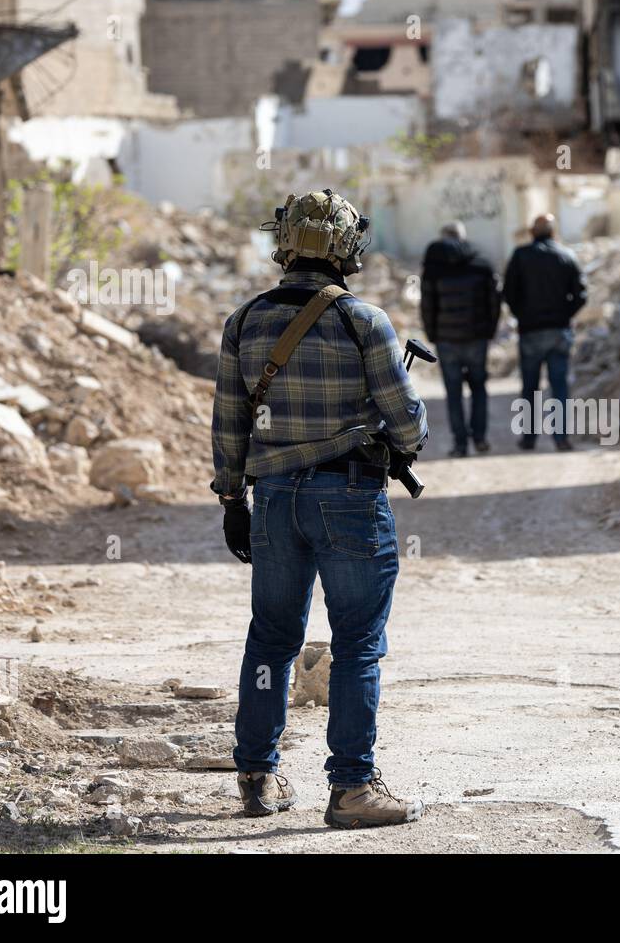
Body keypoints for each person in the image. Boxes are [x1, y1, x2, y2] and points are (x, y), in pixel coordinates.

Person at [211, 189, 428, 829]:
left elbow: (229, 424)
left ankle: (256, 775)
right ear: (346, 247)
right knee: (358, 644)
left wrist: (231, 499)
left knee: (271, 638)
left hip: (273, 500)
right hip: (350, 500)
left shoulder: (245, 321)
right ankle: (353, 789)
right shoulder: (365, 321)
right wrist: (403, 436)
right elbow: (407, 422)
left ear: (282, 242)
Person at [502, 214, 588, 452]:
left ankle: (529, 438)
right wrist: (564, 315)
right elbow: (581, 294)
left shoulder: (521, 256)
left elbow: (508, 292)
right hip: (559, 331)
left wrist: (522, 314)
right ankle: (561, 438)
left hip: (530, 331)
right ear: (553, 232)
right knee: (559, 386)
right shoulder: (566, 255)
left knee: (530, 386)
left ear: (532, 232)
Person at [420, 221, 500, 457]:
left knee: (453, 393)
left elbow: (427, 305)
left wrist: (432, 333)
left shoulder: (434, 266)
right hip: (477, 337)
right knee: (478, 388)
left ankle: (460, 444)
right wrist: (490, 330)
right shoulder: (482, 263)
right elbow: (494, 302)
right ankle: (480, 438)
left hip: (446, 339)